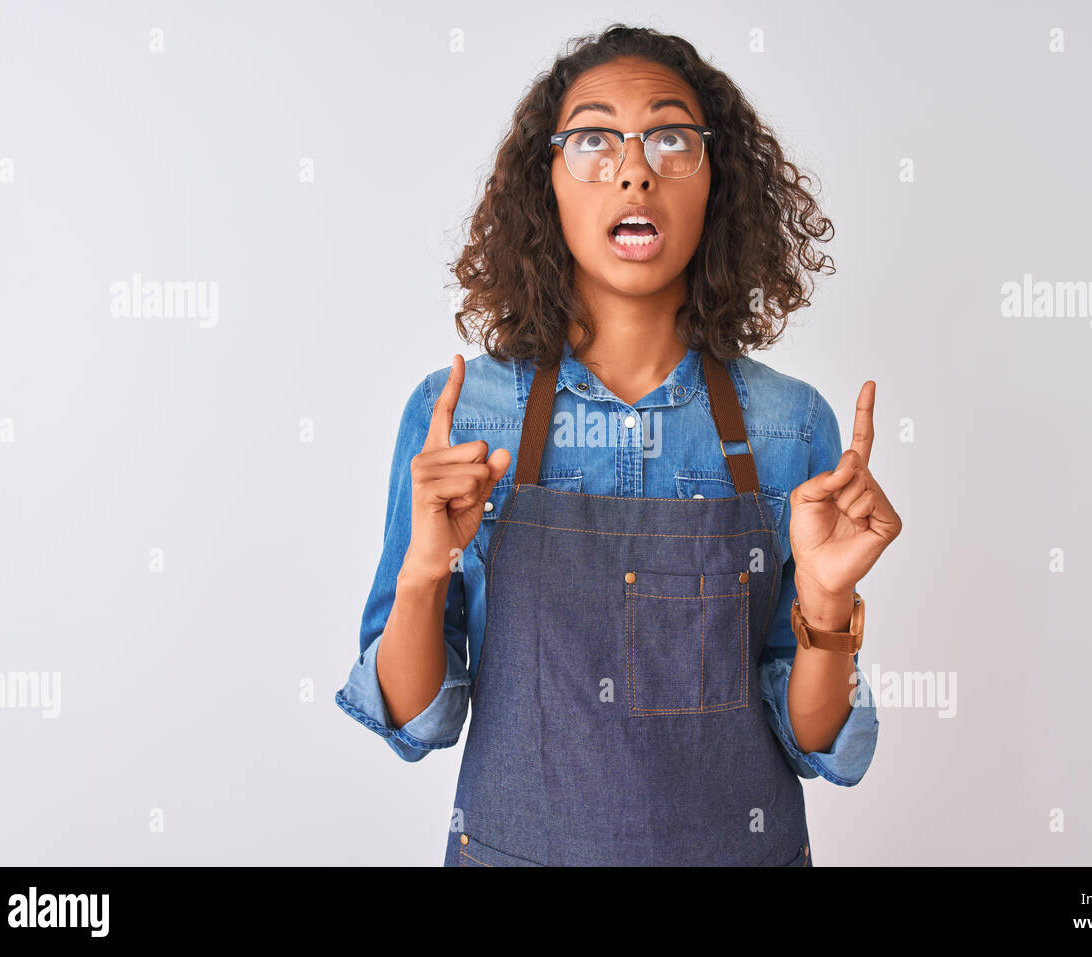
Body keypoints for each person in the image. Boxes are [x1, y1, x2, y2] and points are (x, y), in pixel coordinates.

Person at [335, 24, 902, 866]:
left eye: (672, 139)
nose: (634, 169)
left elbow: (818, 743)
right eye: (594, 140)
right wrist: (424, 570)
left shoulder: (791, 428)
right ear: (547, 186)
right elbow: (419, 720)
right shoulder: (460, 417)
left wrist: (824, 606)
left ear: (718, 183)